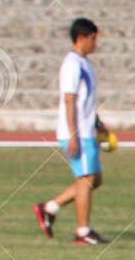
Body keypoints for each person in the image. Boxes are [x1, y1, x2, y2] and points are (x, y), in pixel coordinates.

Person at [33, 18, 112, 246]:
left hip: (87, 129)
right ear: (82, 38)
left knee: (94, 179)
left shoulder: (85, 63)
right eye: (93, 38)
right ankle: (83, 231)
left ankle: (49, 208)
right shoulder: (72, 64)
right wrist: (74, 133)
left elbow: (86, 101)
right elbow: (69, 100)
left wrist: (98, 123)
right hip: (77, 131)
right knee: (86, 179)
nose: (95, 43)